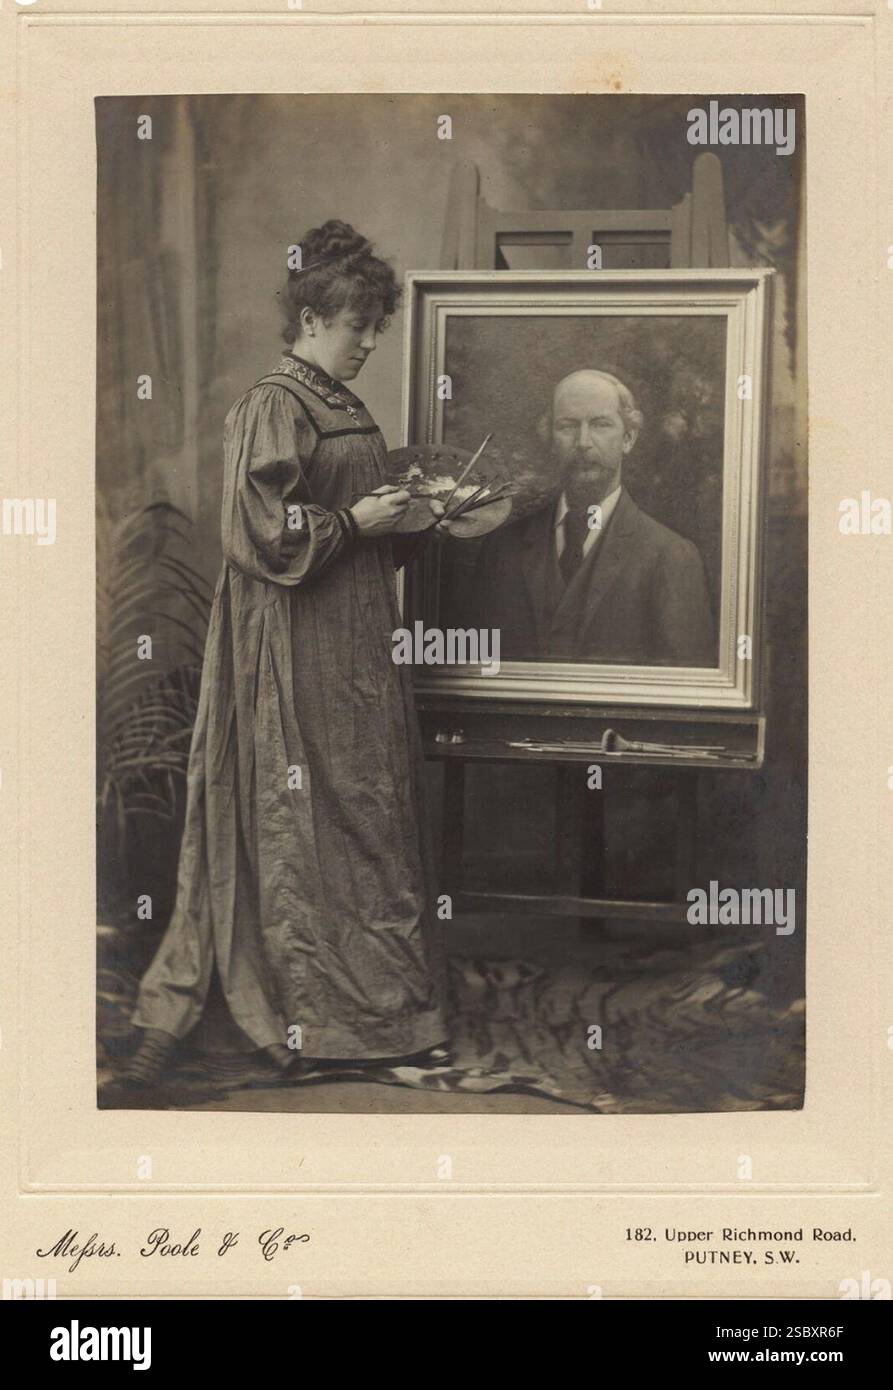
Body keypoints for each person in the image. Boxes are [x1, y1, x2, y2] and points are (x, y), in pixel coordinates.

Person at [124, 220, 451, 1086]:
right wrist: (355, 521)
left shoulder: (341, 403)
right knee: (317, 809)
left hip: (355, 636)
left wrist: (414, 513)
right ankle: (308, 1016)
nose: (371, 342)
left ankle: (384, 1012)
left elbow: (358, 520)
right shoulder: (275, 400)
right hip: (293, 637)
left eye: (378, 325)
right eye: (358, 326)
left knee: (369, 808)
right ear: (311, 320)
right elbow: (258, 531)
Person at [469, 369, 715, 666]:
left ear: (628, 438)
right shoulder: (502, 548)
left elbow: (686, 692)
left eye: (600, 425)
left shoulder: (671, 556)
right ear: (550, 438)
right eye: (568, 426)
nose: (583, 441)